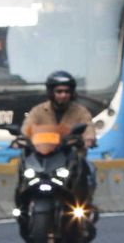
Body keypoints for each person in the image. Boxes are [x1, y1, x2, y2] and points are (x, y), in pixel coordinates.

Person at [20, 71, 97, 203]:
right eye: (59, 91)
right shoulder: (38, 111)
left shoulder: (80, 111)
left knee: (88, 169)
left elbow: (88, 126)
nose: (63, 95)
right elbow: (27, 128)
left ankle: (83, 204)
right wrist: (22, 139)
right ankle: (22, 203)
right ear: (51, 93)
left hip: (69, 156)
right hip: (43, 156)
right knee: (23, 165)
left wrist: (88, 139)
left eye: (67, 92)